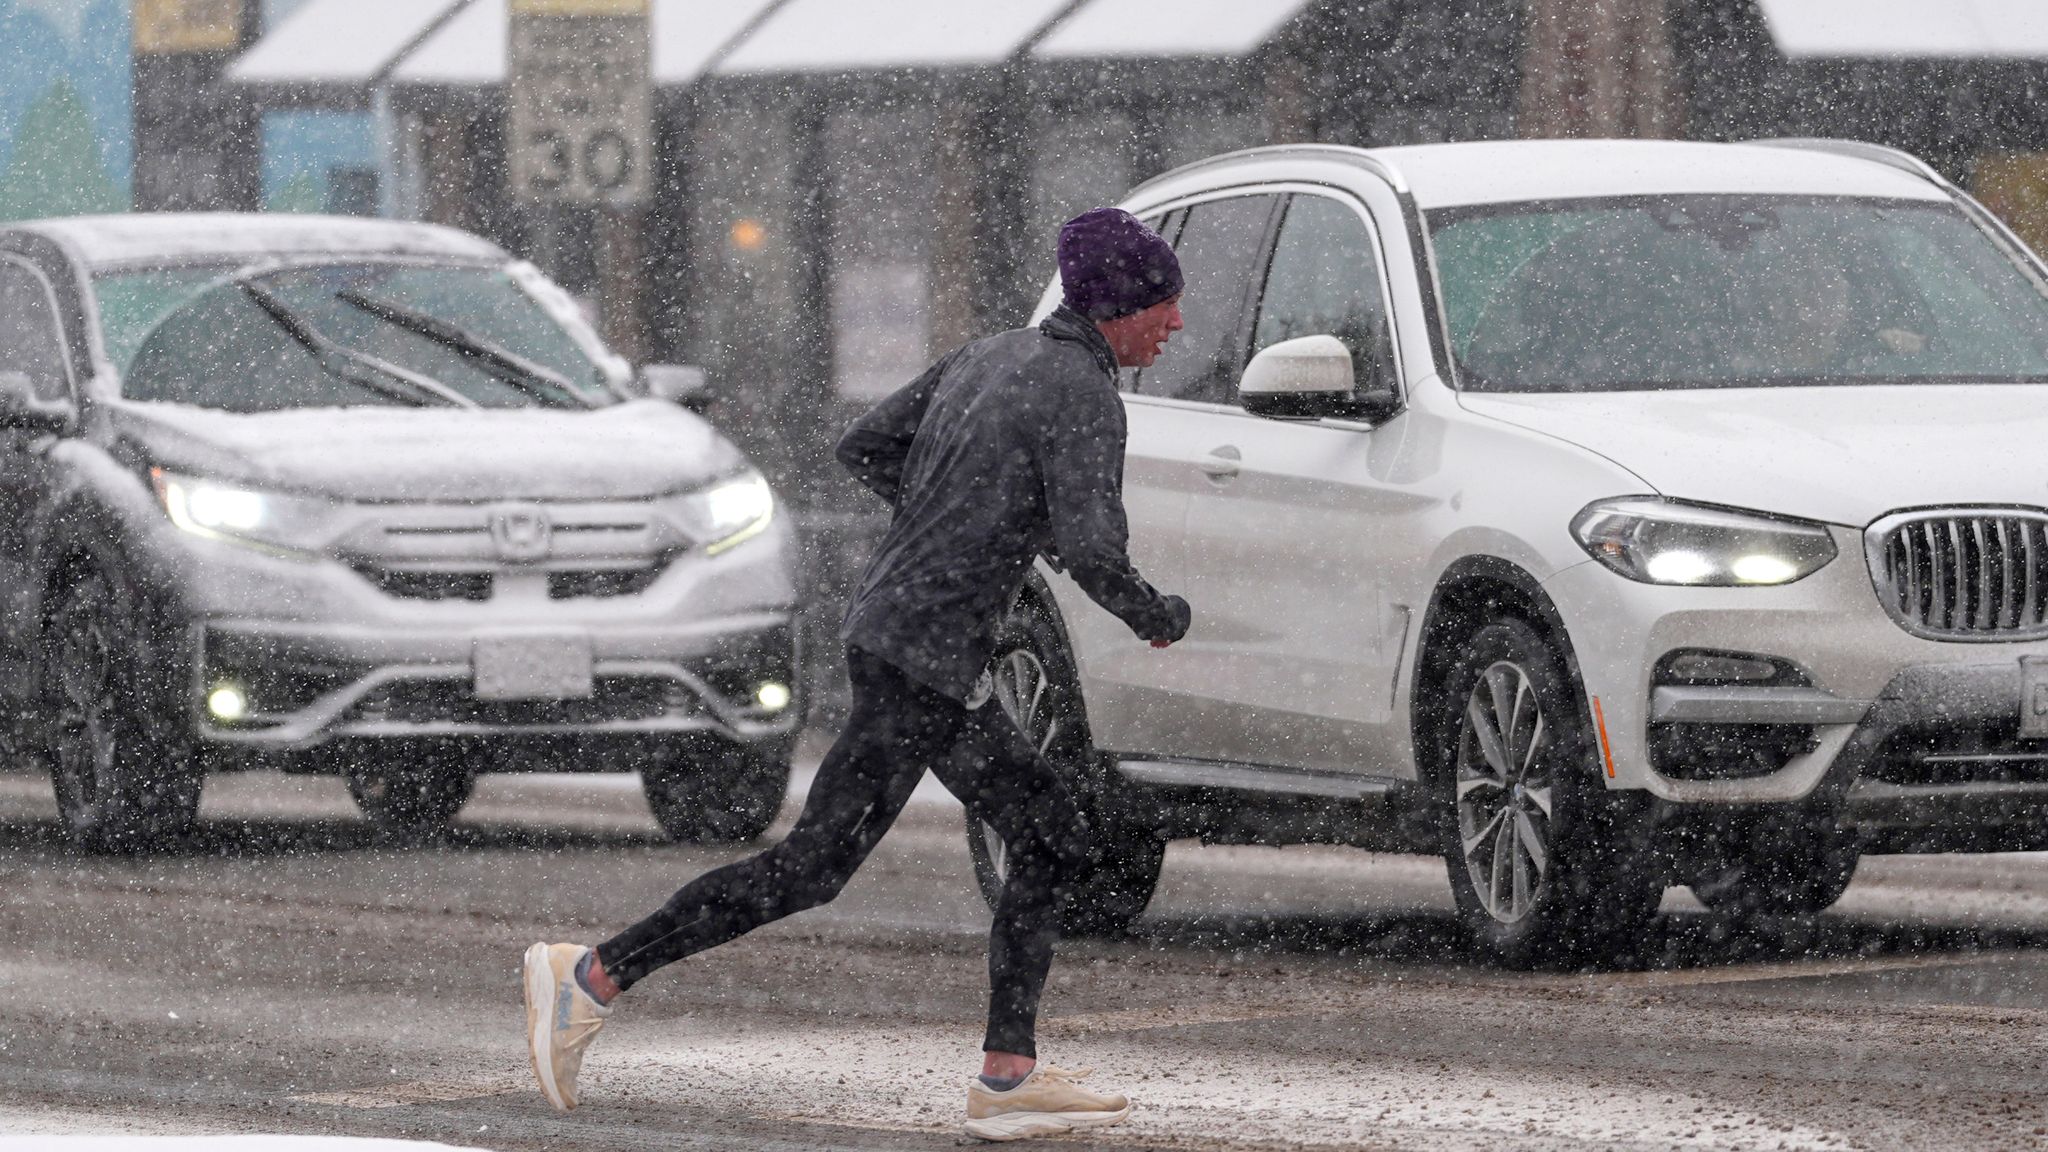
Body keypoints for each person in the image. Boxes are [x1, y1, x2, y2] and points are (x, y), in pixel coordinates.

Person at [521, 206, 1192, 1142]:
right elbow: (1092, 549)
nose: (1175, 324)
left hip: (905, 638)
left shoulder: (988, 356)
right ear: (1121, 306)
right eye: (1164, 305)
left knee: (1049, 831)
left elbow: (867, 446)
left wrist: (960, 526)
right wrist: (1158, 614)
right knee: (816, 866)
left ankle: (1008, 1075)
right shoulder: (1082, 390)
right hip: (924, 656)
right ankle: (591, 975)